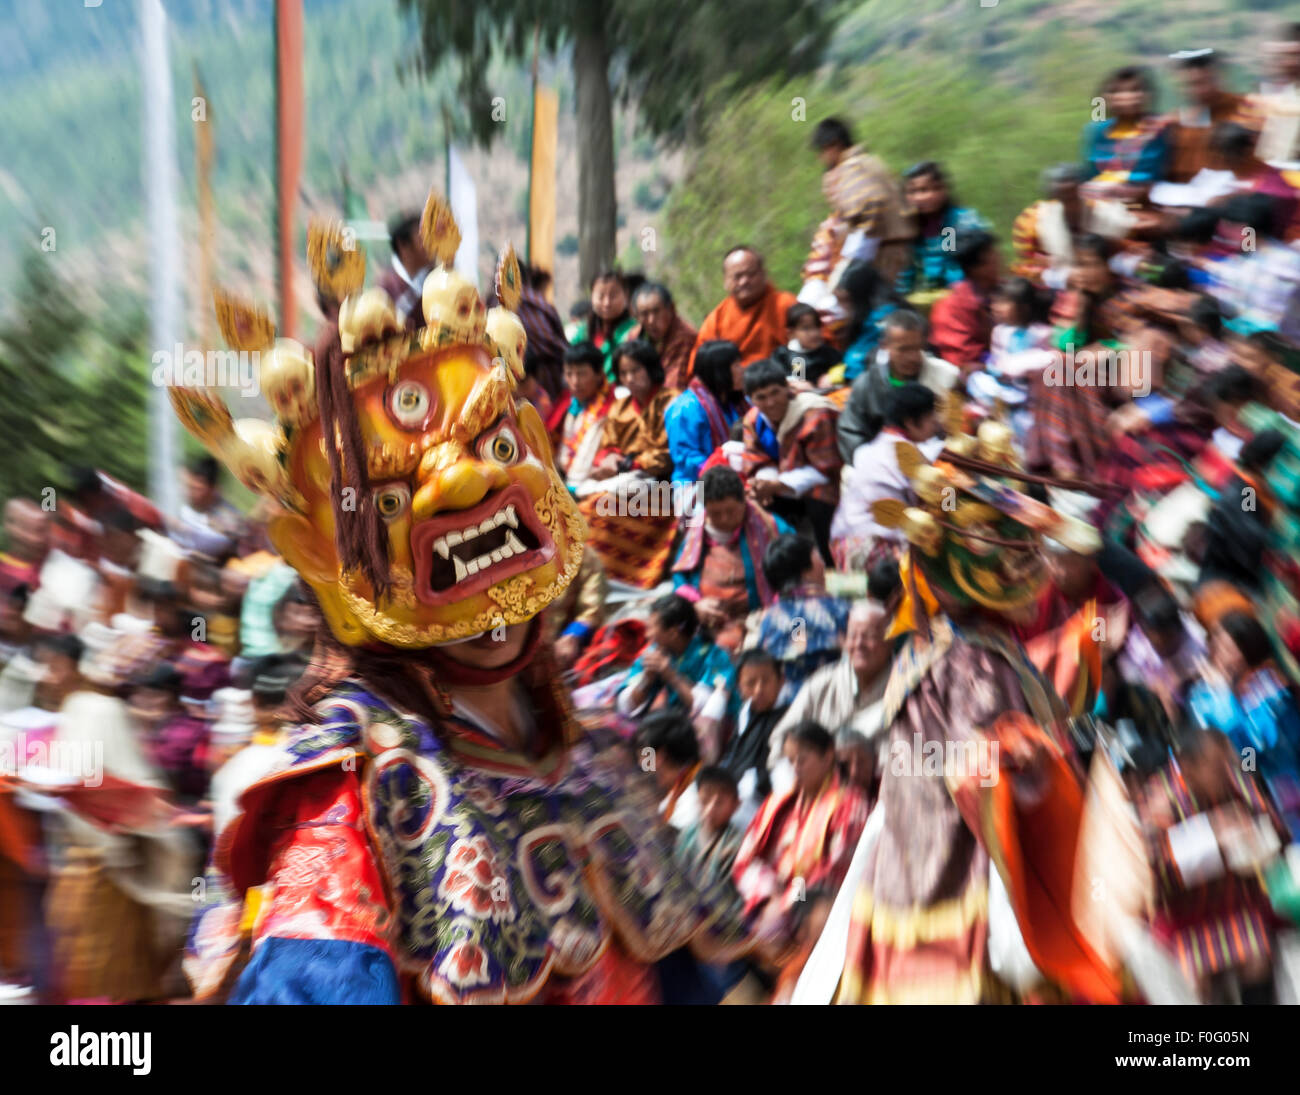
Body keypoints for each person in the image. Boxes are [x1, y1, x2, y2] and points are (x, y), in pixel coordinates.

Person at [176, 205, 753, 1004]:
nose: (462, 482)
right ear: (328, 561)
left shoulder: (597, 752)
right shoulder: (352, 782)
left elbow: (691, 975)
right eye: (392, 496)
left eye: (493, 445)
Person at [822, 418, 1127, 1006]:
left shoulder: (939, 644)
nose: (1024, 567)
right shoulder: (973, 658)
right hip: (964, 863)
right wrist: (1040, 763)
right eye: (1000, 547)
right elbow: (980, 762)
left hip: (909, 856)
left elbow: (1016, 701)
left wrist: (1075, 651)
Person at [732, 720, 870, 956]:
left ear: (828, 757)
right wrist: (768, 893)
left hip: (812, 914)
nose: (795, 767)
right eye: (791, 760)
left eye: (802, 760)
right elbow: (746, 857)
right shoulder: (778, 802)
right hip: (766, 904)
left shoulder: (850, 804)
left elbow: (831, 871)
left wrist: (785, 903)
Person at [576, 340, 681, 588]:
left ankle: (616, 578)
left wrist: (629, 464)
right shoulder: (620, 407)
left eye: (636, 370)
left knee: (596, 509)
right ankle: (594, 579)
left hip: (663, 485)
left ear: (650, 368)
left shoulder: (672, 401)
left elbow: (670, 455)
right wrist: (608, 459)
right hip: (625, 480)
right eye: (624, 373)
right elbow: (608, 446)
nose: (630, 378)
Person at [1190, 610, 1300, 834]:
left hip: (1285, 783)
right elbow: (1207, 744)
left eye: (1228, 649)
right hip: (1239, 794)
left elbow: (1254, 751)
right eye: (1216, 644)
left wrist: (1226, 702)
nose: (1217, 654)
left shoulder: (1270, 689)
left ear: (1247, 654)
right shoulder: (1202, 695)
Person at [767, 600, 894, 782]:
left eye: (870, 636)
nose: (859, 644)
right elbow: (782, 737)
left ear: (891, 640)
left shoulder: (906, 689)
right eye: (852, 636)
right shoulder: (823, 682)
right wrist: (786, 779)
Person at [831, 383, 941, 571]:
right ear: (910, 422)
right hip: (879, 548)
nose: (936, 421)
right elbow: (943, 502)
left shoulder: (868, 449)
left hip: (842, 544)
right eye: (931, 415)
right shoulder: (913, 455)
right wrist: (954, 500)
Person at [740, 359, 842, 558]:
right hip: (782, 483)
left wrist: (776, 485)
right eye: (761, 397)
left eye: (775, 393)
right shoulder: (753, 420)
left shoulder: (815, 414)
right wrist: (763, 483)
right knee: (753, 499)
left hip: (824, 483)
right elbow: (757, 459)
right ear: (751, 399)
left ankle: (830, 561)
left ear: (787, 388)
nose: (770, 402)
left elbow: (826, 469)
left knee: (820, 502)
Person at [804, 117, 912, 293]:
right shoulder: (870, 162)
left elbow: (869, 210)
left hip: (883, 255)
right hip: (894, 250)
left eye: (821, 151)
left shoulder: (853, 168)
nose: (820, 157)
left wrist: (854, 259)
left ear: (834, 145)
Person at [836, 309, 959, 462]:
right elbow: (851, 432)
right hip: (881, 465)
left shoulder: (946, 376)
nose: (912, 357)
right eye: (903, 350)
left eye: (917, 348)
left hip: (938, 465)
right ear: (884, 346)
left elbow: (958, 430)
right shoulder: (866, 385)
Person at [671, 466, 790, 623]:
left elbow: (796, 573)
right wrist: (696, 603)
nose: (725, 519)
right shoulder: (696, 530)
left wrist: (776, 606)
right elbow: (680, 573)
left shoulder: (772, 527)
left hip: (763, 615)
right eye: (716, 514)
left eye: (731, 511)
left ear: (744, 501)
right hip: (709, 619)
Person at [743, 533, 849, 694]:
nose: (822, 562)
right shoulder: (837, 609)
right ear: (805, 569)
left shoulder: (769, 619)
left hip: (785, 704)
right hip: (834, 696)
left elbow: (798, 643)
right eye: (817, 555)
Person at [616, 592, 737, 721]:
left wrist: (671, 675)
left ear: (673, 633)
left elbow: (707, 710)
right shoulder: (655, 652)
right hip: (678, 724)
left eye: (651, 628)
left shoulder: (715, 656)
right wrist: (647, 679)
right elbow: (625, 706)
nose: (646, 635)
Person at [690, 246, 797, 375]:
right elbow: (700, 366)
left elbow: (806, 350)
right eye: (737, 276)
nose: (744, 281)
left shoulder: (786, 305)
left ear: (764, 274)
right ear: (725, 281)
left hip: (783, 385)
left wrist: (799, 378)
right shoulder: (717, 319)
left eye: (751, 274)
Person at [894, 161, 990, 299]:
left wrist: (955, 296)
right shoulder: (911, 227)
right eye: (913, 191)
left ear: (943, 190)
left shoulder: (951, 223)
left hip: (965, 293)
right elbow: (906, 271)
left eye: (930, 189)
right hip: (927, 294)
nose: (921, 197)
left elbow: (951, 263)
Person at [1164, 49, 1259, 184]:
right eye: (1191, 84)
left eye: (1205, 82)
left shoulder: (1247, 109)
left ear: (1220, 78)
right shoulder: (1176, 121)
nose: (1200, 91)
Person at [719, 650, 789, 824]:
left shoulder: (789, 718)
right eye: (750, 683)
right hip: (733, 788)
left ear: (781, 682)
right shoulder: (745, 713)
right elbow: (733, 751)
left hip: (761, 798)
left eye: (766, 681)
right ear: (739, 687)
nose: (758, 690)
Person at [665, 340, 748, 485]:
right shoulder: (685, 407)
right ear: (720, 372)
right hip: (696, 483)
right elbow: (686, 457)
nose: (742, 370)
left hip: (738, 476)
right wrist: (724, 472)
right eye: (736, 366)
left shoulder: (739, 401)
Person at [1079, 66, 1170, 197]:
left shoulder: (1157, 130)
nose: (1126, 97)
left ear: (1147, 95)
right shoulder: (1095, 131)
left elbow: (1156, 178)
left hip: (1143, 203)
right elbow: (1088, 174)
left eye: (1135, 90)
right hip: (1098, 201)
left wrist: (1123, 191)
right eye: (1116, 91)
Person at [928, 228, 1000, 376]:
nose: (999, 257)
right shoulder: (949, 309)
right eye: (993, 254)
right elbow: (963, 362)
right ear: (978, 268)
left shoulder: (1006, 291)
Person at [550, 341, 618, 489]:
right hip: (562, 482)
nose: (575, 382)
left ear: (599, 374)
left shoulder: (616, 406)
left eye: (581, 374)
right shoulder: (565, 402)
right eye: (569, 374)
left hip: (594, 486)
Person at [1010, 164, 1088, 289]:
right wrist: (1061, 278)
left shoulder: (1101, 214)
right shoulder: (1030, 222)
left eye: (1074, 197)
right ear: (1052, 196)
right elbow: (1024, 269)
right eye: (1063, 198)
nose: (1069, 205)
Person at [634, 710, 704, 831]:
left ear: (660, 756)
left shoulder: (690, 807)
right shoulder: (678, 790)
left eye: (644, 755)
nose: (640, 762)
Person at [675, 766, 746, 887]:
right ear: (697, 798)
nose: (710, 809)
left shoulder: (736, 845)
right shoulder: (687, 835)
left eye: (719, 803)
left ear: (736, 805)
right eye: (705, 800)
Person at [836, 260, 902, 382]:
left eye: (847, 301)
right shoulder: (797, 350)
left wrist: (840, 374)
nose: (843, 308)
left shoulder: (880, 319)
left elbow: (857, 363)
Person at [171, 454, 245, 562]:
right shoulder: (186, 508)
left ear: (212, 488)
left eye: (198, 488)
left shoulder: (228, 517)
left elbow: (215, 547)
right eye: (190, 487)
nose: (192, 492)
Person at [514, 263, 568, 399]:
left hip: (534, 374)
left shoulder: (493, 302)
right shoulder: (540, 303)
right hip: (544, 373)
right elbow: (557, 344)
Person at [629, 282, 697, 390]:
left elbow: (673, 388)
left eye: (656, 311)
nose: (651, 321)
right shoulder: (634, 336)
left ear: (671, 308)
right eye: (644, 314)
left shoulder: (684, 337)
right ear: (636, 316)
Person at [572, 269, 637, 382]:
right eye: (601, 296)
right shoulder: (583, 331)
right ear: (591, 296)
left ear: (626, 296)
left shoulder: (634, 330)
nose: (607, 303)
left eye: (613, 296)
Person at [376, 210, 431, 331]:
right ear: (403, 246)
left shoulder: (434, 279)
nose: (430, 243)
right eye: (423, 238)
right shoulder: (385, 289)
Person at [772, 303, 840, 386]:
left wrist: (831, 376)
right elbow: (776, 378)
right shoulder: (782, 355)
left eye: (817, 326)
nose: (814, 333)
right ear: (791, 333)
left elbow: (842, 368)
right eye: (806, 328)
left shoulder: (828, 353)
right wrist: (792, 383)